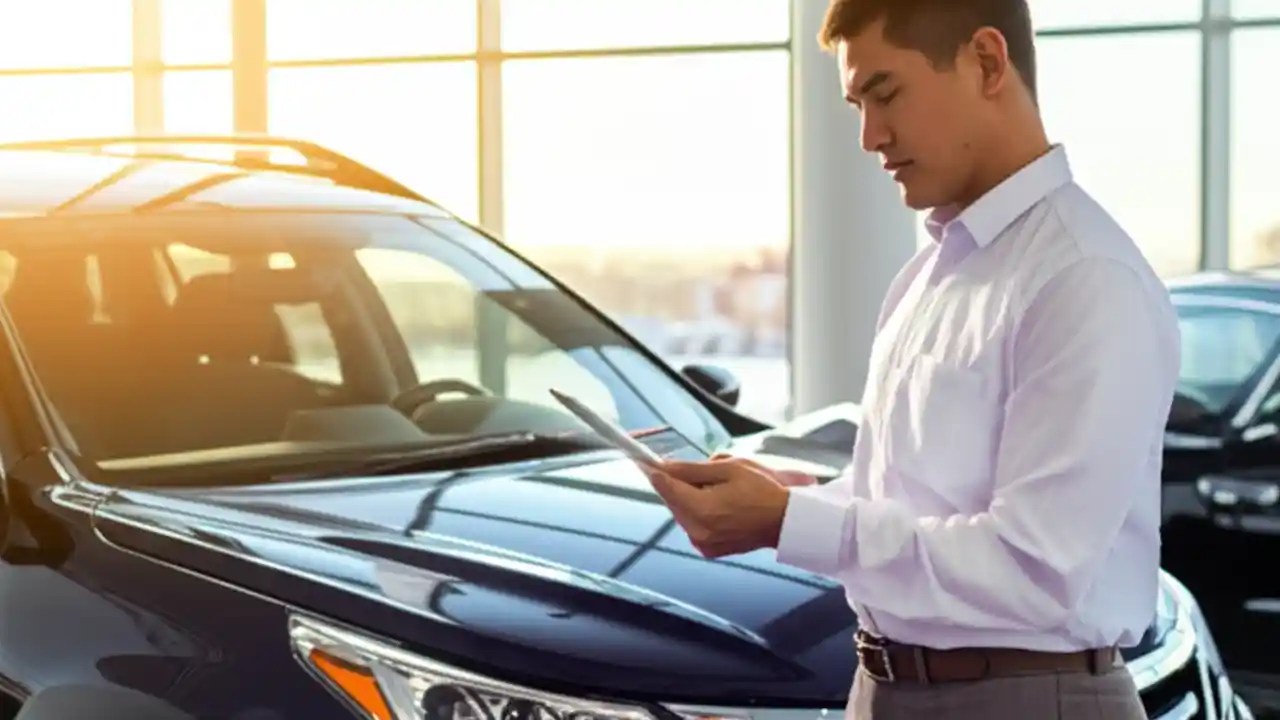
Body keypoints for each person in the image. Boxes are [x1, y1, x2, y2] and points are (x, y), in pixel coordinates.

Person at [640, 0, 1180, 718]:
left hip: (1021, 699)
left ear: (987, 62)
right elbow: (908, 506)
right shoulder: (927, 278)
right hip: (885, 688)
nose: (868, 137)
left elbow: (1034, 567)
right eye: (857, 103)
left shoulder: (1084, 276)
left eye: (885, 92)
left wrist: (784, 523)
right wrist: (790, 499)